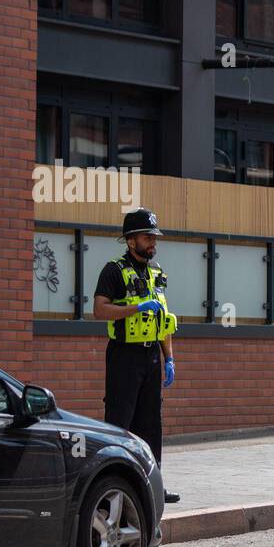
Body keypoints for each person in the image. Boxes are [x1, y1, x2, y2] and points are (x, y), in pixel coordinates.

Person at [93, 209, 180, 503]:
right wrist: (136, 308)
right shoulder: (113, 270)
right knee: (120, 422)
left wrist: (168, 357)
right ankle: (111, 488)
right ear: (131, 241)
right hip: (124, 356)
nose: (153, 242)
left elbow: (163, 320)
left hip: (151, 357)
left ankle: (154, 486)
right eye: (147, 236)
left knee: (151, 423)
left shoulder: (156, 272)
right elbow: (99, 309)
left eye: (154, 236)